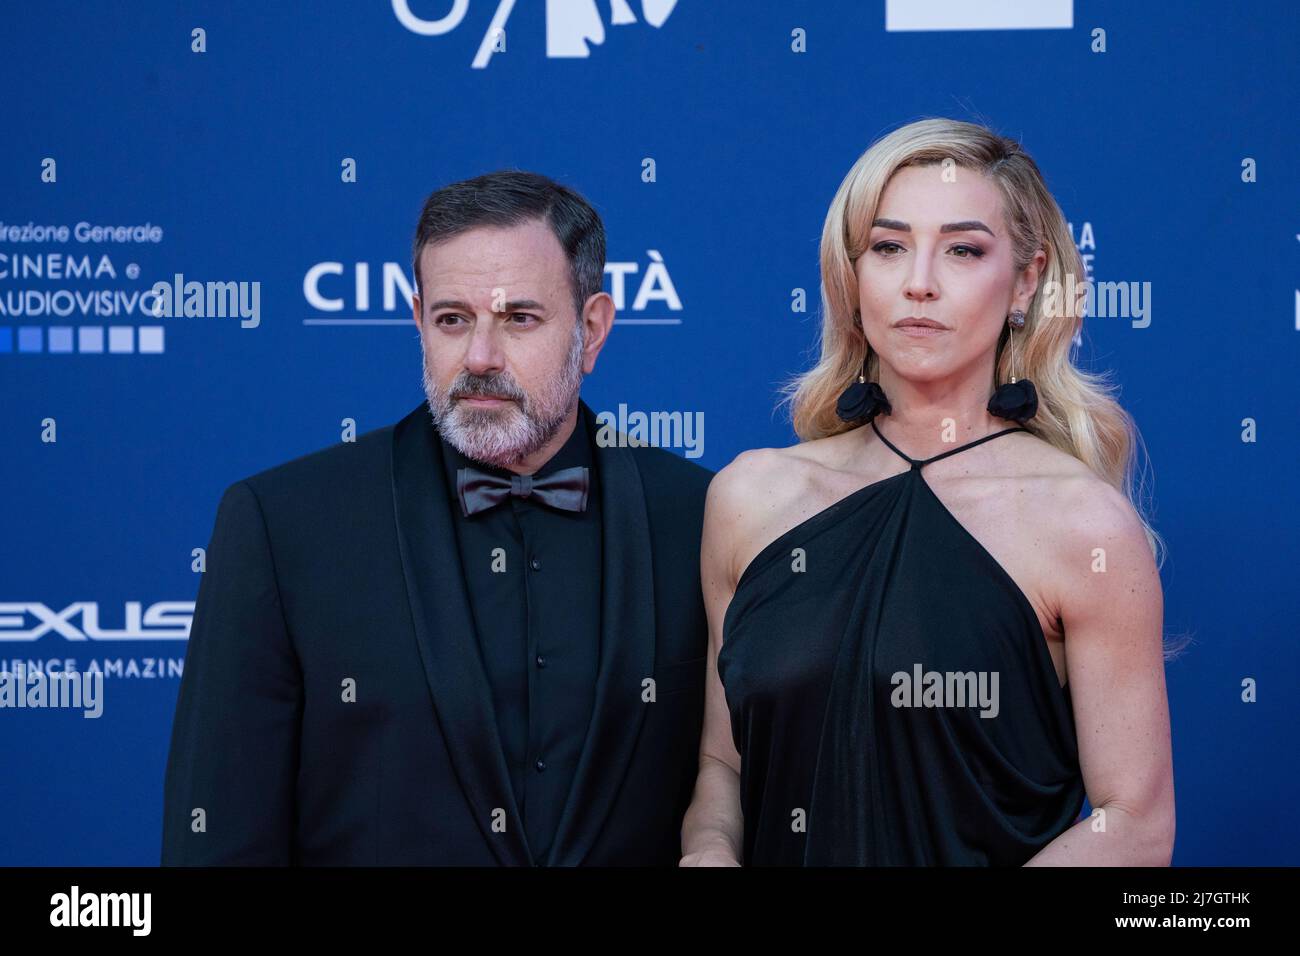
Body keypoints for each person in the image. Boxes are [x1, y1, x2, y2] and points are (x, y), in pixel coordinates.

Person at [162, 170, 713, 866]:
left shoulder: (701, 516)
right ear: (419, 320)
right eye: (453, 319)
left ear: (593, 329)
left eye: (519, 318)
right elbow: (219, 841)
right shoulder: (285, 526)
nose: (479, 358)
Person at [680, 118, 1175, 866]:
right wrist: (709, 851)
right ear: (852, 278)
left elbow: (1134, 823)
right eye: (888, 246)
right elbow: (724, 763)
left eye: (964, 249)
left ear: (1028, 279)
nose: (919, 281)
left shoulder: (1084, 527)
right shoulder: (750, 498)